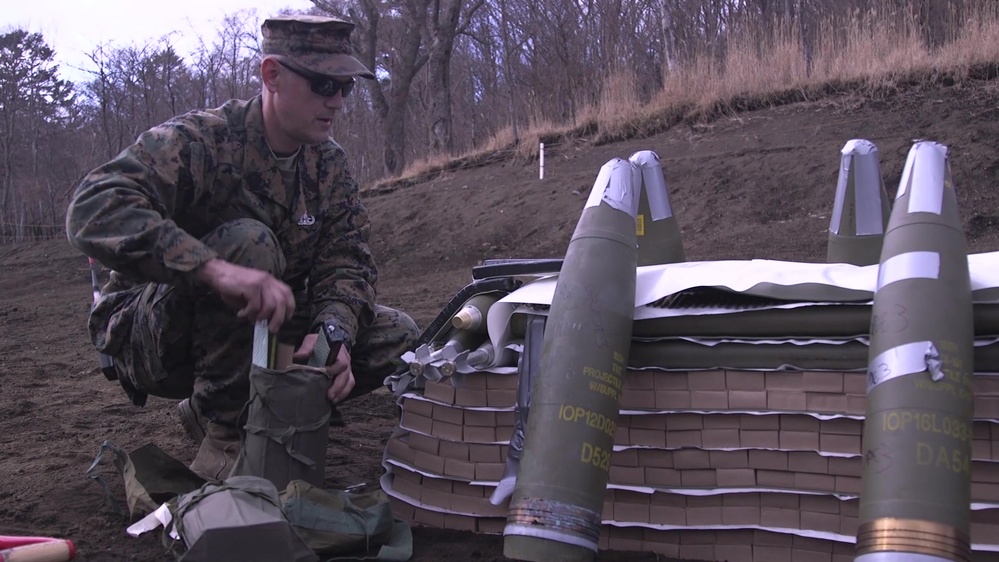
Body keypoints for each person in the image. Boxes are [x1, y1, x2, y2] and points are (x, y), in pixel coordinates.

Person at [65, 15, 419, 481]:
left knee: (399, 337)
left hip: (258, 329)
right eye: (322, 85)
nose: (335, 101)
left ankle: (262, 412)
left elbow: (347, 258)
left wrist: (333, 333)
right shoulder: (201, 140)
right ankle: (228, 434)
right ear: (272, 75)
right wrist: (211, 268)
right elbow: (91, 209)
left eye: (345, 88)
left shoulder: (327, 163)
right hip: (152, 332)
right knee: (249, 247)